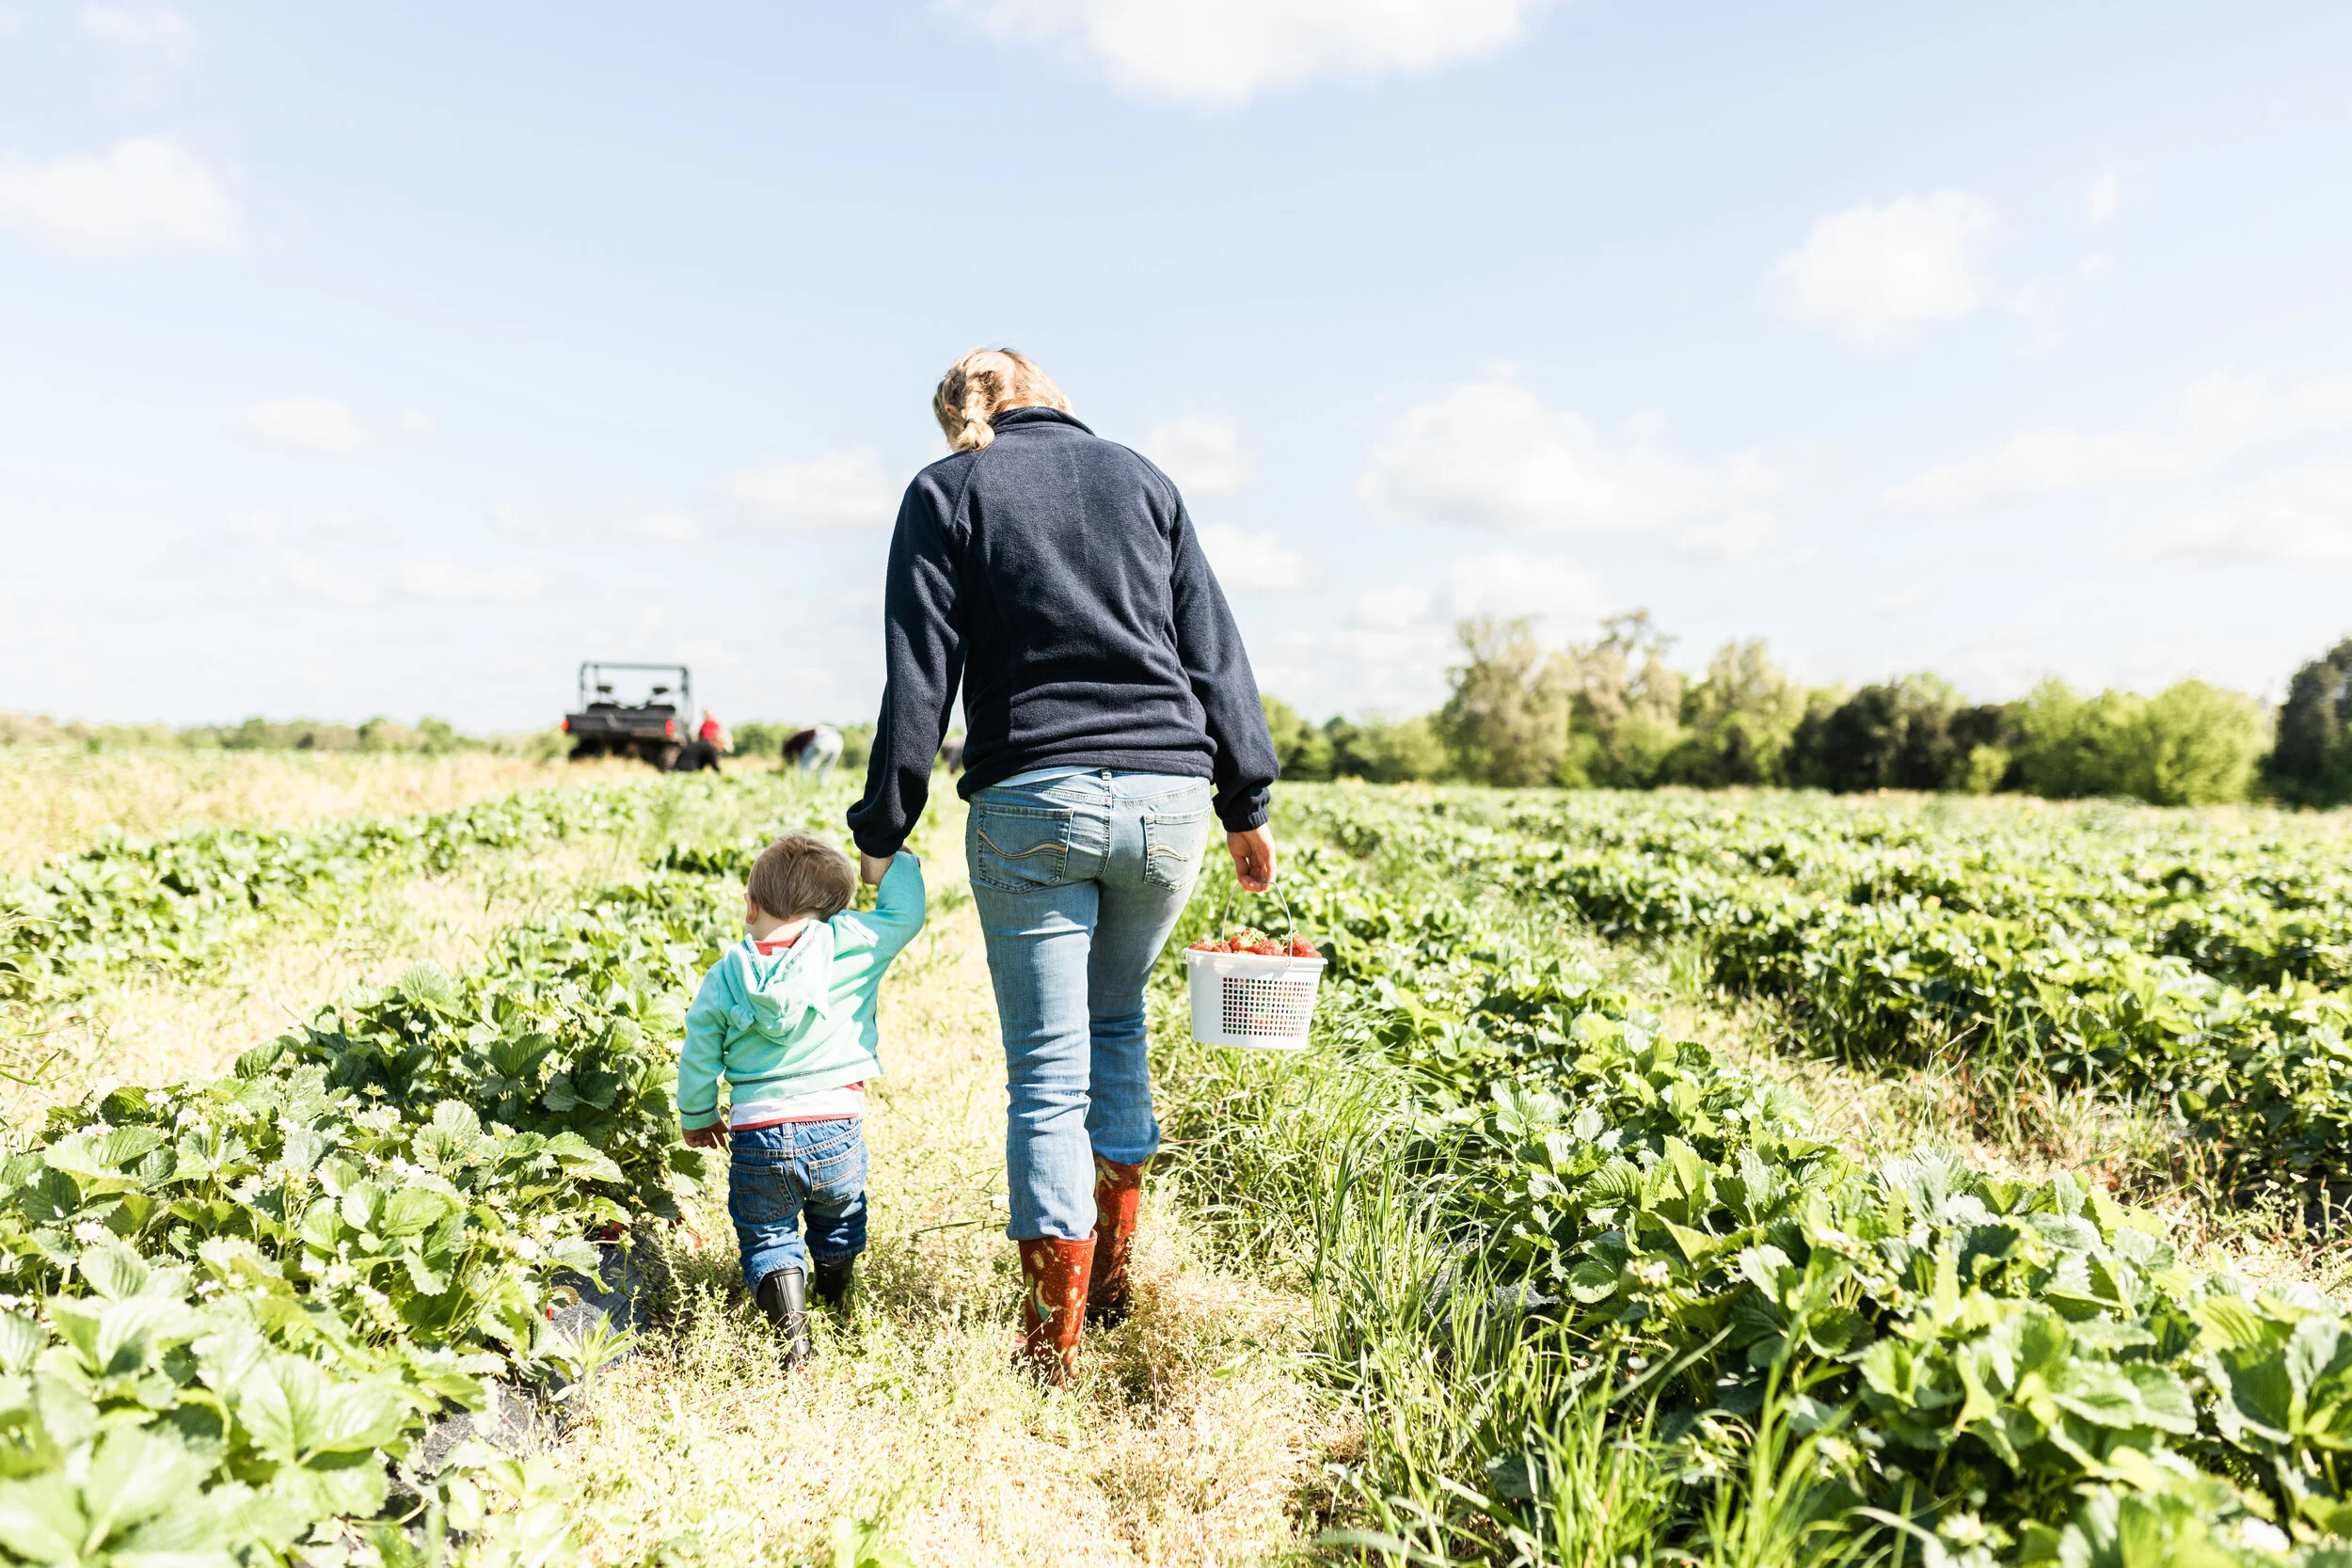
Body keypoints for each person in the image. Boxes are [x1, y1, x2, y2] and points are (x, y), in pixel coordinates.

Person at [847, 347, 1279, 1386]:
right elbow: (1214, 648)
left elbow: (920, 671)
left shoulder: (950, 488)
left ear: (965, 414)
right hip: (1169, 799)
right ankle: (1114, 1279)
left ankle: (1053, 1343)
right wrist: (1246, 800)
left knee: (1047, 1067)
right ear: (1050, 394)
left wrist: (884, 823)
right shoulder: (1143, 478)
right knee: (1116, 1021)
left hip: (1033, 796)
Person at [675, 832, 927, 1368]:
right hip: (835, 1126)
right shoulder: (848, 942)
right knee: (839, 1215)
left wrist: (698, 1115)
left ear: (751, 906)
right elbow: (904, 917)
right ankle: (835, 1297)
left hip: (757, 1133)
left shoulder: (726, 974)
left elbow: (699, 1051)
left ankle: (793, 1343)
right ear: (834, 909)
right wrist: (898, 863)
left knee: (767, 1234)